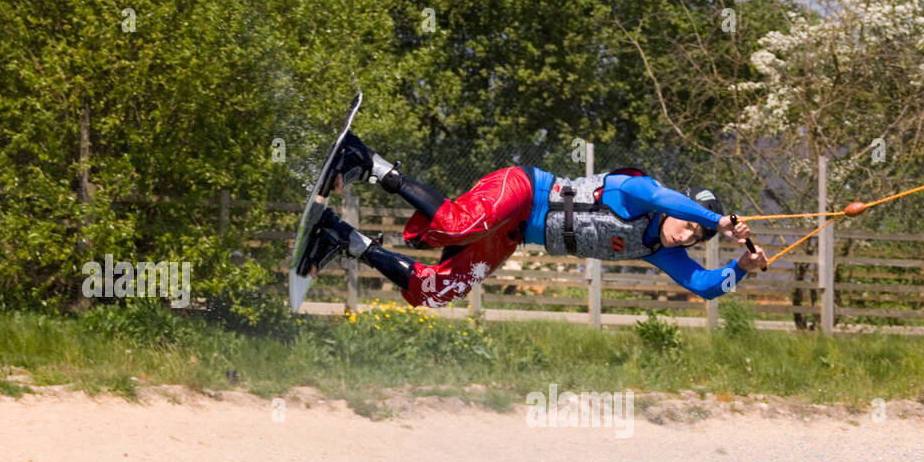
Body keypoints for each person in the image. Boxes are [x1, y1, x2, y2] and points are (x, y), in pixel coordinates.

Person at [294, 133, 768, 308]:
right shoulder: (641, 193)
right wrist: (718, 220)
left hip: (515, 234)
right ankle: (365, 159)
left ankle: (344, 238)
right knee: (458, 224)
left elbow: (706, 287)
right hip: (523, 189)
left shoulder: (661, 250)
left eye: (698, 235)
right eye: (689, 222)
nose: (688, 232)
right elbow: (675, 200)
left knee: (439, 292)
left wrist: (741, 269)